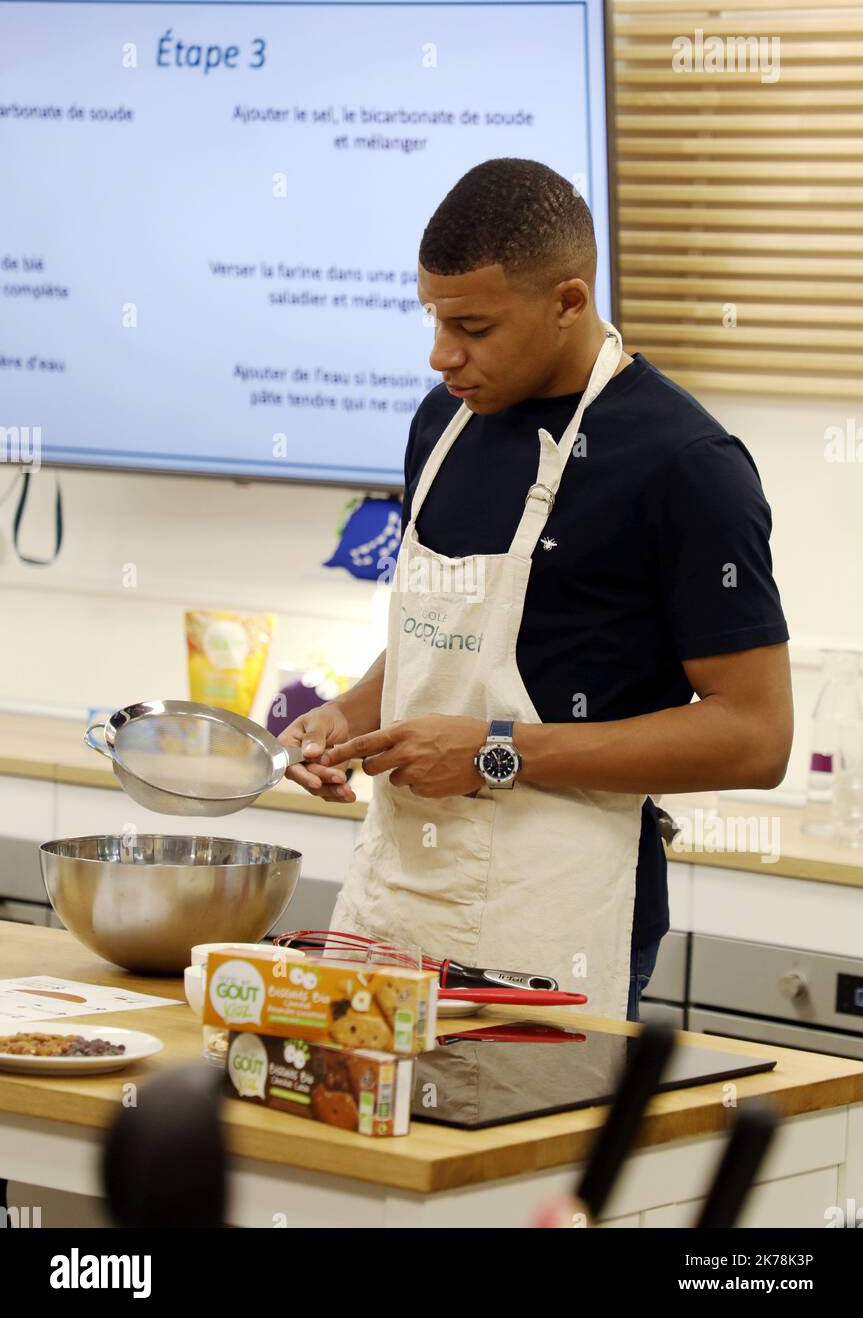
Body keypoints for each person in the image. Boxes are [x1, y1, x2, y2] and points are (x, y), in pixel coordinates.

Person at [279, 158, 793, 1022]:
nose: (442, 356)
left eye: (473, 326)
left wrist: (493, 752)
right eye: (434, 320)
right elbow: (453, 635)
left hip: (559, 917)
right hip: (396, 898)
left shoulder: (684, 465)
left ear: (567, 301)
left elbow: (754, 736)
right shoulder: (443, 422)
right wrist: (354, 710)